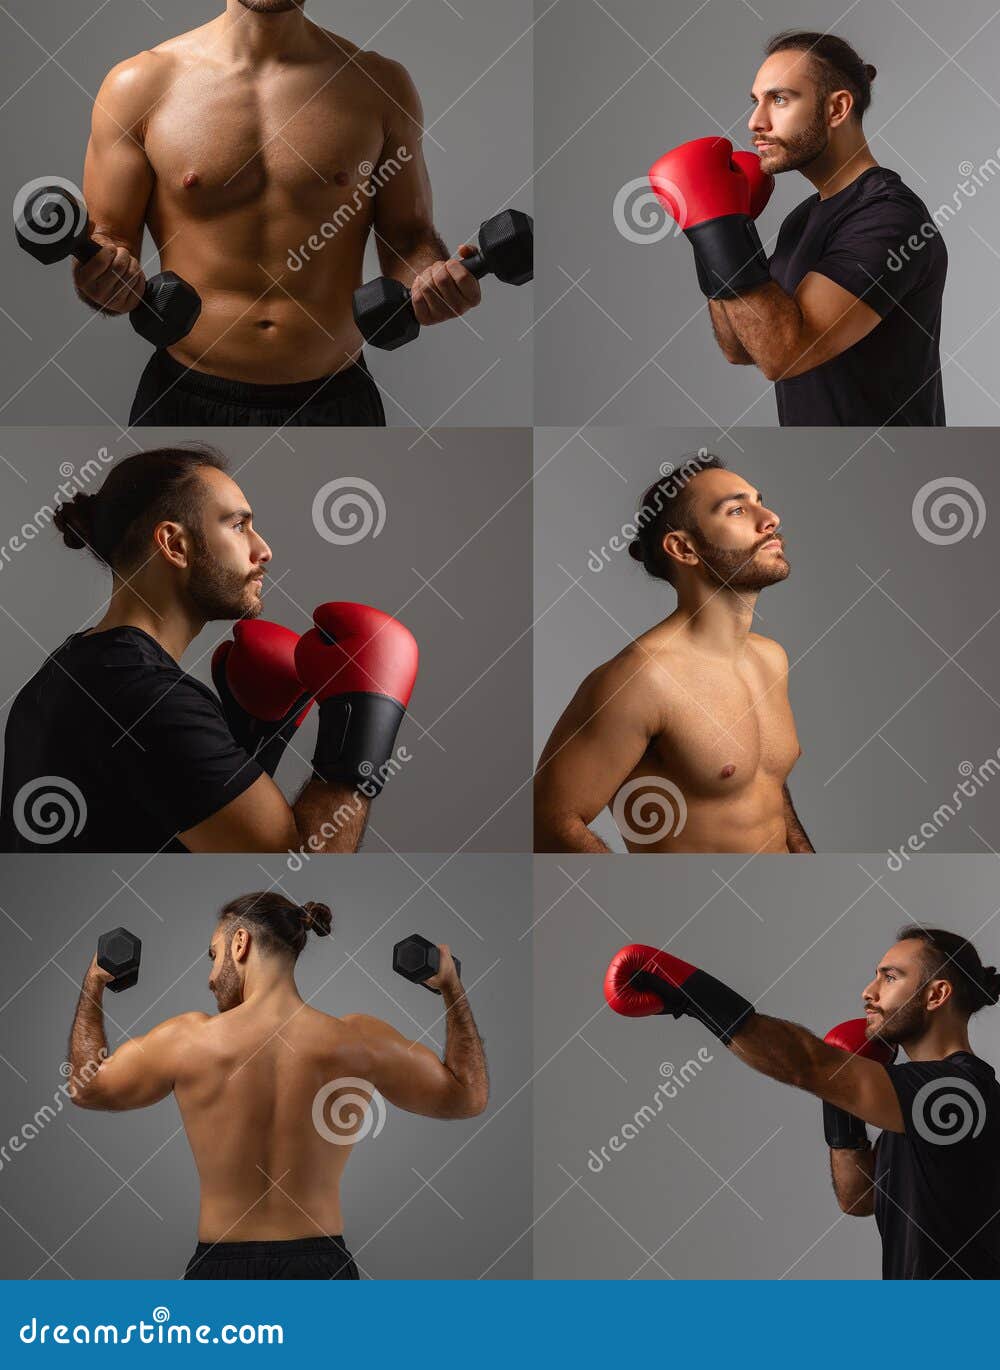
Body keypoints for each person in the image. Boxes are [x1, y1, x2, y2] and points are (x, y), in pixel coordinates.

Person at [77, 1, 483, 426]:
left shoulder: (379, 85)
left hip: (335, 397)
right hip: (183, 393)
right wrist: (102, 276)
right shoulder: (138, 85)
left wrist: (431, 282)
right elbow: (108, 240)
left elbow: (408, 236)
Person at [1, 445, 418, 853]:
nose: (263, 549)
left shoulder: (65, 670)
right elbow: (297, 871)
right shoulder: (153, 700)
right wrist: (361, 731)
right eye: (238, 526)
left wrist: (256, 737)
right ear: (175, 545)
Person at [68, 893, 487, 1279]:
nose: (212, 977)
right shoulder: (359, 1041)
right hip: (321, 1270)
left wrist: (94, 983)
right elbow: (467, 1096)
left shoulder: (188, 1040)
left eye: (214, 956)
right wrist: (451, 987)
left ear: (240, 943)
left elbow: (86, 1087)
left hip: (220, 1270)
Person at [605, 925, 1000, 1279]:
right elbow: (858, 1198)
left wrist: (693, 994)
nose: (868, 992)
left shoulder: (958, 1091)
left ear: (936, 994)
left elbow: (805, 1064)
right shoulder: (914, 1102)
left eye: (890, 977)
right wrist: (839, 1098)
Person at [652, 31, 947, 426]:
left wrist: (718, 225)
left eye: (779, 99)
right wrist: (716, 228)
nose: (756, 122)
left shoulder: (889, 218)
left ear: (837, 108)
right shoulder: (804, 217)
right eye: (756, 102)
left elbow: (783, 355)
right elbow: (741, 346)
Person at [534, 454, 809, 853]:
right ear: (683, 548)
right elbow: (549, 823)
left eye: (759, 500)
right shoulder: (642, 679)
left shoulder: (771, 659)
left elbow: (767, 786)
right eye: (736, 509)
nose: (770, 519)